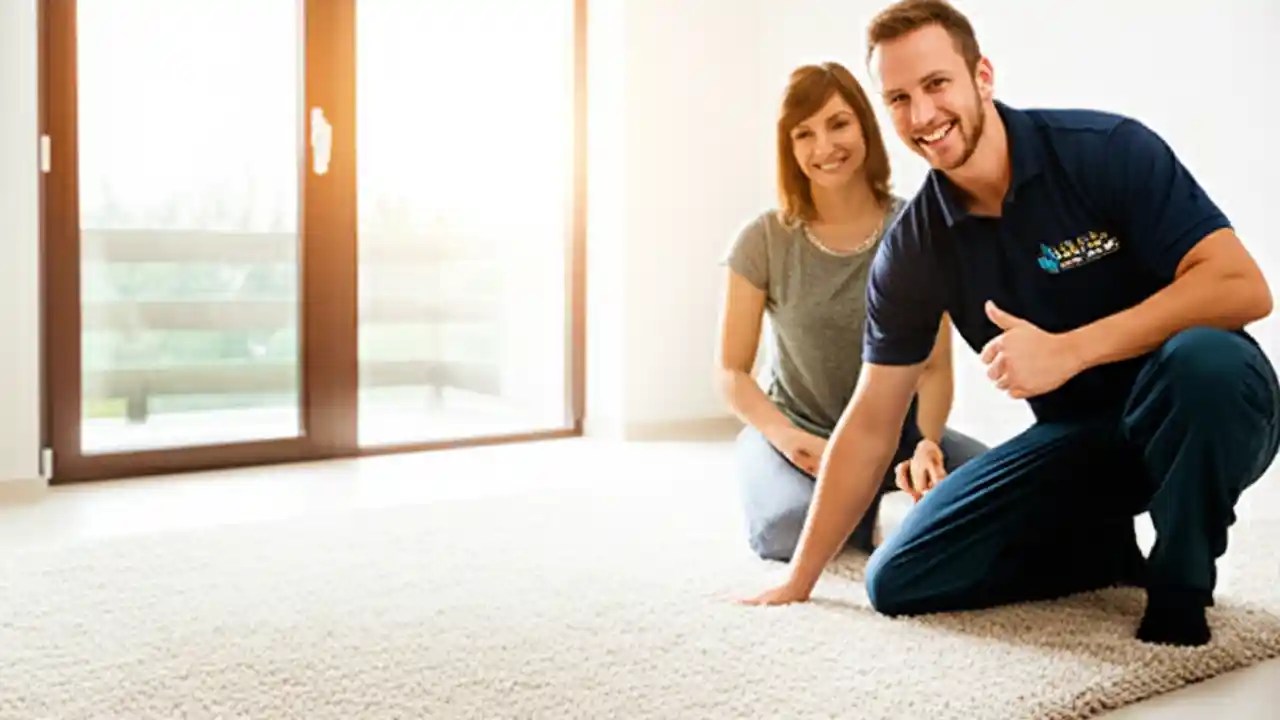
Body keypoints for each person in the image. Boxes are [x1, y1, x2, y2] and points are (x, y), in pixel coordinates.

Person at [740, 0, 1280, 648]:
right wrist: (799, 579)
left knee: (1202, 361)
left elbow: (1241, 286)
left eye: (937, 84)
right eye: (900, 99)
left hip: (1207, 409)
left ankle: (1180, 587)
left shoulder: (1105, 151)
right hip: (1083, 442)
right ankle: (1101, 550)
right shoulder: (914, 247)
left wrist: (1072, 350)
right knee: (896, 579)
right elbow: (875, 417)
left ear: (983, 77)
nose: (923, 115)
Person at [717, 61, 987, 562]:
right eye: (804, 134)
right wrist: (786, 438)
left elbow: (934, 366)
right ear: (789, 147)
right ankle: (874, 512)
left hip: (895, 437)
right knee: (785, 528)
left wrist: (926, 443)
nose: (824, 147)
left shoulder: (916, 228)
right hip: (800, 436)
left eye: (838, 124)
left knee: (1006, 494)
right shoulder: (762, 240)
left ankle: (879, 507)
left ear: (864, 126)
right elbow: (732, 372)